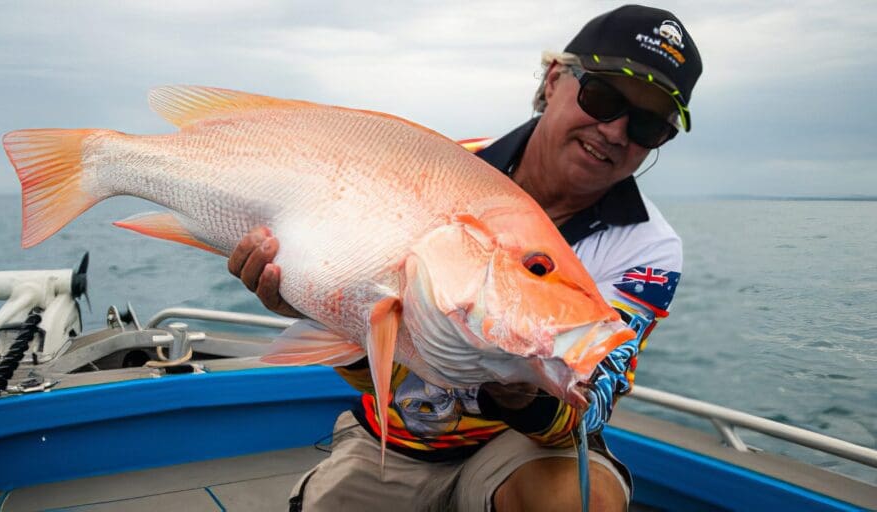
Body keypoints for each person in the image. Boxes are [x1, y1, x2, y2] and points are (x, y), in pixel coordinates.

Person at [228, 5, 701, 511]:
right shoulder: (438, 175)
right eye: (602, 97)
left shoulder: (649, 247)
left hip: (527, 451)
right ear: (553, 80)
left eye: (649, 125)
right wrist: (318, 305)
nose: (615, 131)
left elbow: (591, 403)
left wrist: (524, 395)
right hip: (398, 439)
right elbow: (380, 345)